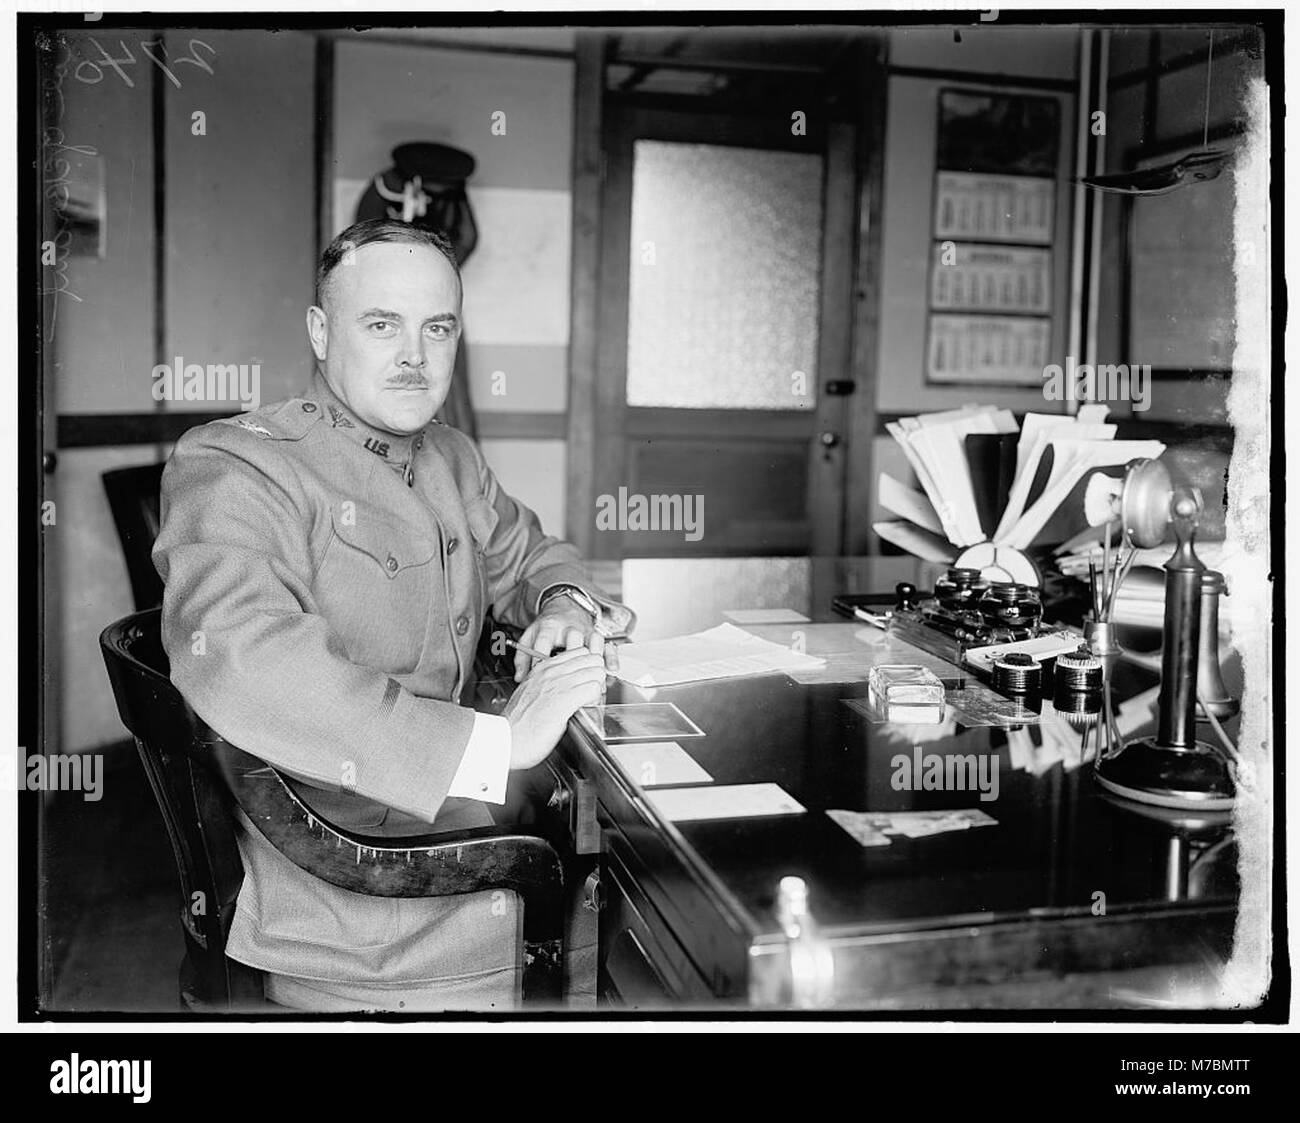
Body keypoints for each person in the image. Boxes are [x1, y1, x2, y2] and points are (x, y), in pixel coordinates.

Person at [152, 219, 633, 1011]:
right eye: (381, 325)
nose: (414, 355)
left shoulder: (452, 457)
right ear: (319, 330)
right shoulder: (239, 462)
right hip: (359, 898)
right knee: (661, 938)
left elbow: (537, 553)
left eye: (436, 328)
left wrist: (561, 606)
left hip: (468, 834)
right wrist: (501, 740)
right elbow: (243, 656)